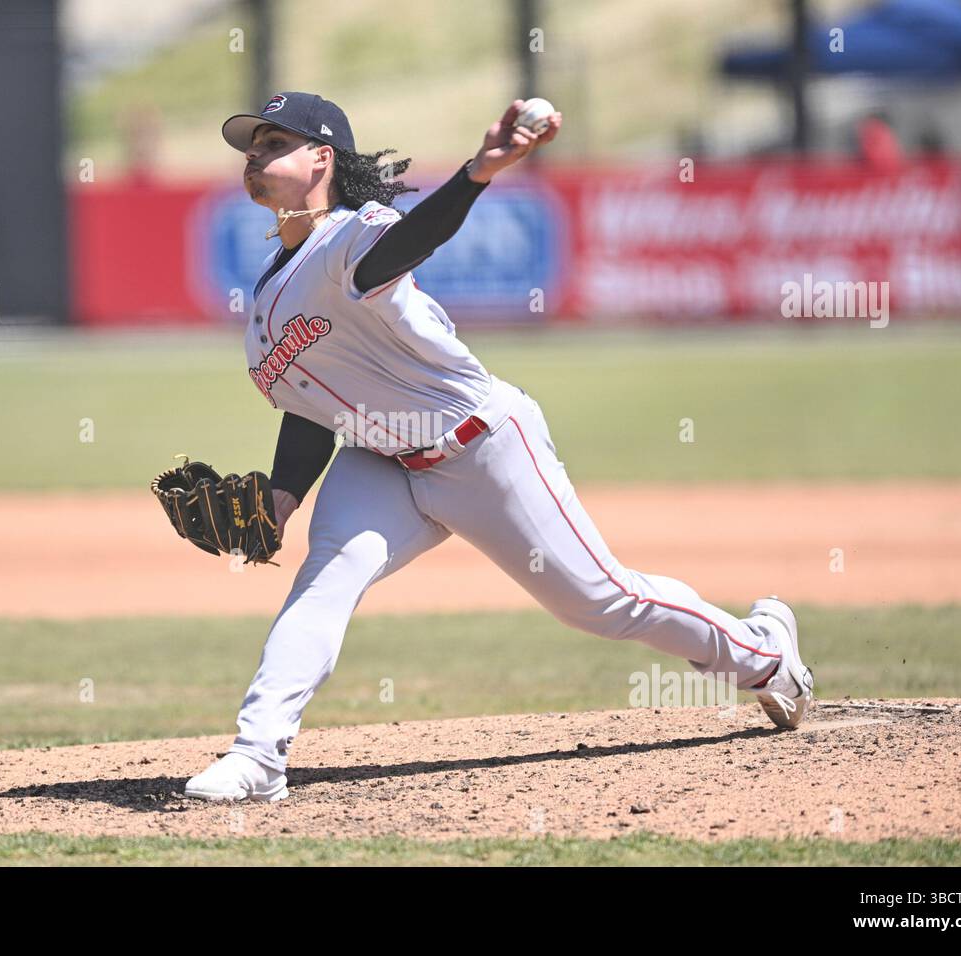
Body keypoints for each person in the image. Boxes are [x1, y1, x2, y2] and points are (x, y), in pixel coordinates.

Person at [183, 91, 815, 803]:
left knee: (600, 602)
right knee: (324, 580)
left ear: (322, 158)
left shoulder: (353, 236)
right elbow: (312, 411)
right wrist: (278, 502)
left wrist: (480, 170)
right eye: (251, 146)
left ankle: (762, 653)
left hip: (481, 448)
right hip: (380, 462)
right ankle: (259, 755)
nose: (254, 156)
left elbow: (408, 242)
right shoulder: (266, 299)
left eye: (273, 144)